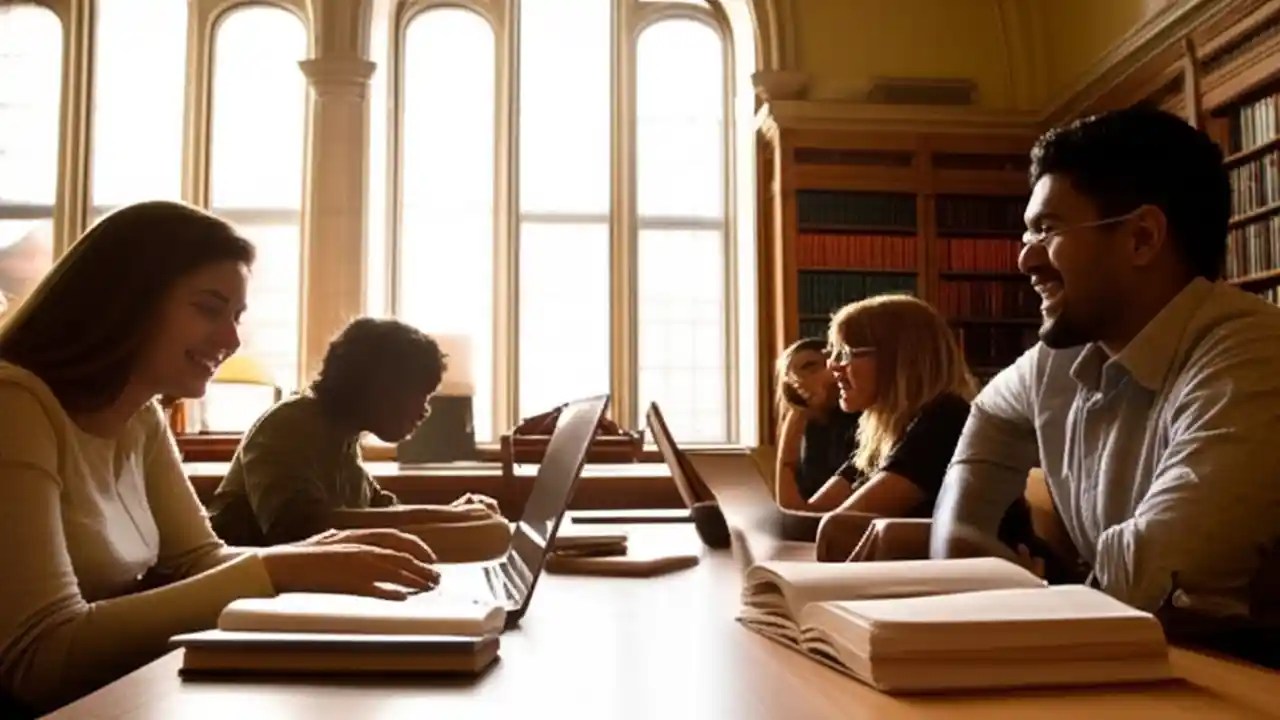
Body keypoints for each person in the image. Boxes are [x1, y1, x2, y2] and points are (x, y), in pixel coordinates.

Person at [0, 202, 440, 715]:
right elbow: (37, 660)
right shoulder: (15, 404)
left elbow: (196, 561)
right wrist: (279, 569)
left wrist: (325, 553)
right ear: (125, 299)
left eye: (236, 317)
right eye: (209, 308)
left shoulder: (141, 415)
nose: (232, 339)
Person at [930, 105, 1280, 664]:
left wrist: (1013, 585)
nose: (1025, 258)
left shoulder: (1256, 354)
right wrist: (955, 544)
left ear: (1142, 238)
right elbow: (985, 429)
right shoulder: (1060, 361)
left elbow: (1154, 579)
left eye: (1047, 229)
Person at [208, 317, 501, 547]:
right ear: (381, 387)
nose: (425, 410)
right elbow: (298, 529)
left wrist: (454, 513)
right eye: (420, 394)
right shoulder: (288, 424)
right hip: (240, 600)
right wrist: (450, 517)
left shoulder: (343, 438)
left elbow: (381, 511)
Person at [773, 337, 860, 510]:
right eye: (790, 378)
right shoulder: (812, 428)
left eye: (809, 367)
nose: (798, 380)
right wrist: (793, 420)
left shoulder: (864, 420)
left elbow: (810, 513)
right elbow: (788, 507)